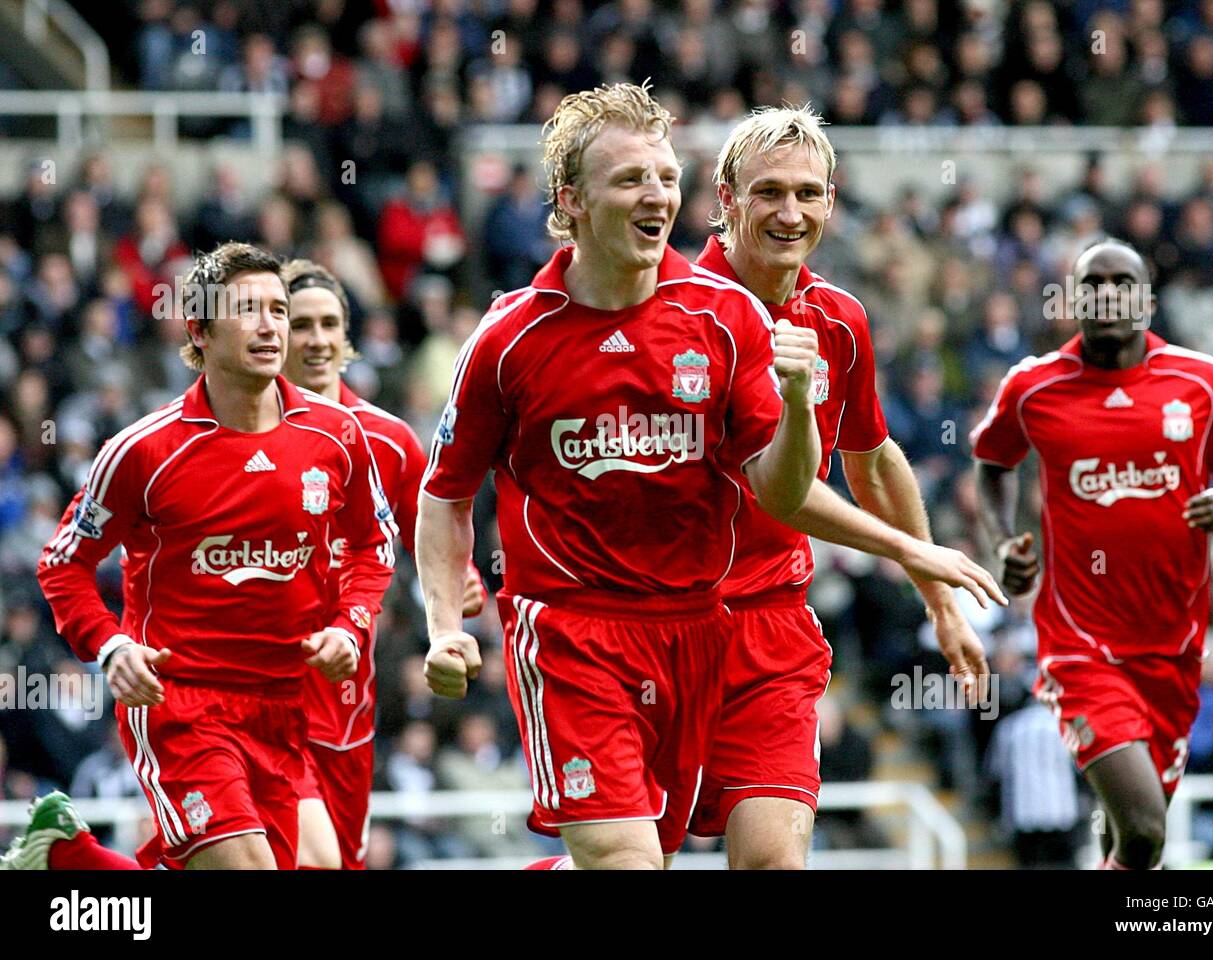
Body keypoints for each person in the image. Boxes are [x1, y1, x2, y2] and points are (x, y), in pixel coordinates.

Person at [416, 82, 822, 870]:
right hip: (573, 631)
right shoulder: (509, 337)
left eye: (667, 178)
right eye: (631, 179)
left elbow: (781, 492)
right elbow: (446, 496)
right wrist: (443, 628)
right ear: (571, 200)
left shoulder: (724, 316)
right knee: (624, 861)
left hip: (705, 624)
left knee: (765, 861)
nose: (658, 195)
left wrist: (800, 405)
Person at [688, 105, 997, 869]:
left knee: (773, 862)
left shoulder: (839, 319)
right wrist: (913, 554)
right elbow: (778, 492)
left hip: (770, 625)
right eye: (768, 193)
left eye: (808, 193)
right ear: (725, 198)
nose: (789, 213)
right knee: (623, 857)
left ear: (832, 199)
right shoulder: (673, 309)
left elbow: (875, 457)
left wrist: (937, 598)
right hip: (658, 622)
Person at [23, 242, 396, 870]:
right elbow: (64, 564)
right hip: (180, 700)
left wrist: (350, 625)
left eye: (277, 308)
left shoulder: (336, 435)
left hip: (282, 705)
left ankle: (69, 865)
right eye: (248, 309)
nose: (270, 325)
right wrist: (111, 648)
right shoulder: (143, 450)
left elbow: (371, 543)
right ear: (199, 329)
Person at [972, 238, 1213, 869]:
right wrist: (1002, 542)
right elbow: (992, 465)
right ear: (1073, 300)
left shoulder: (1203, 381)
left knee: (1132, 844)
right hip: (1081, 646)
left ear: (1147, 301)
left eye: (1122, 283)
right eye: (1093, 284)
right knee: (1144, 830)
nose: (1107, 294)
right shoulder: (1033, 386)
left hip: (1175, 648)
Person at [281, 258, 484, 869]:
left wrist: (461, 581)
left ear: (346, 336)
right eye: (301, 324)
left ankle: (75, 862)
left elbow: (435, 529)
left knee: (338, 863)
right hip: (260, 686)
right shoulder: (236, 440)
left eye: (329, 325)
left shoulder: (388, 439)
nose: (317, 340)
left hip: (348, 699)